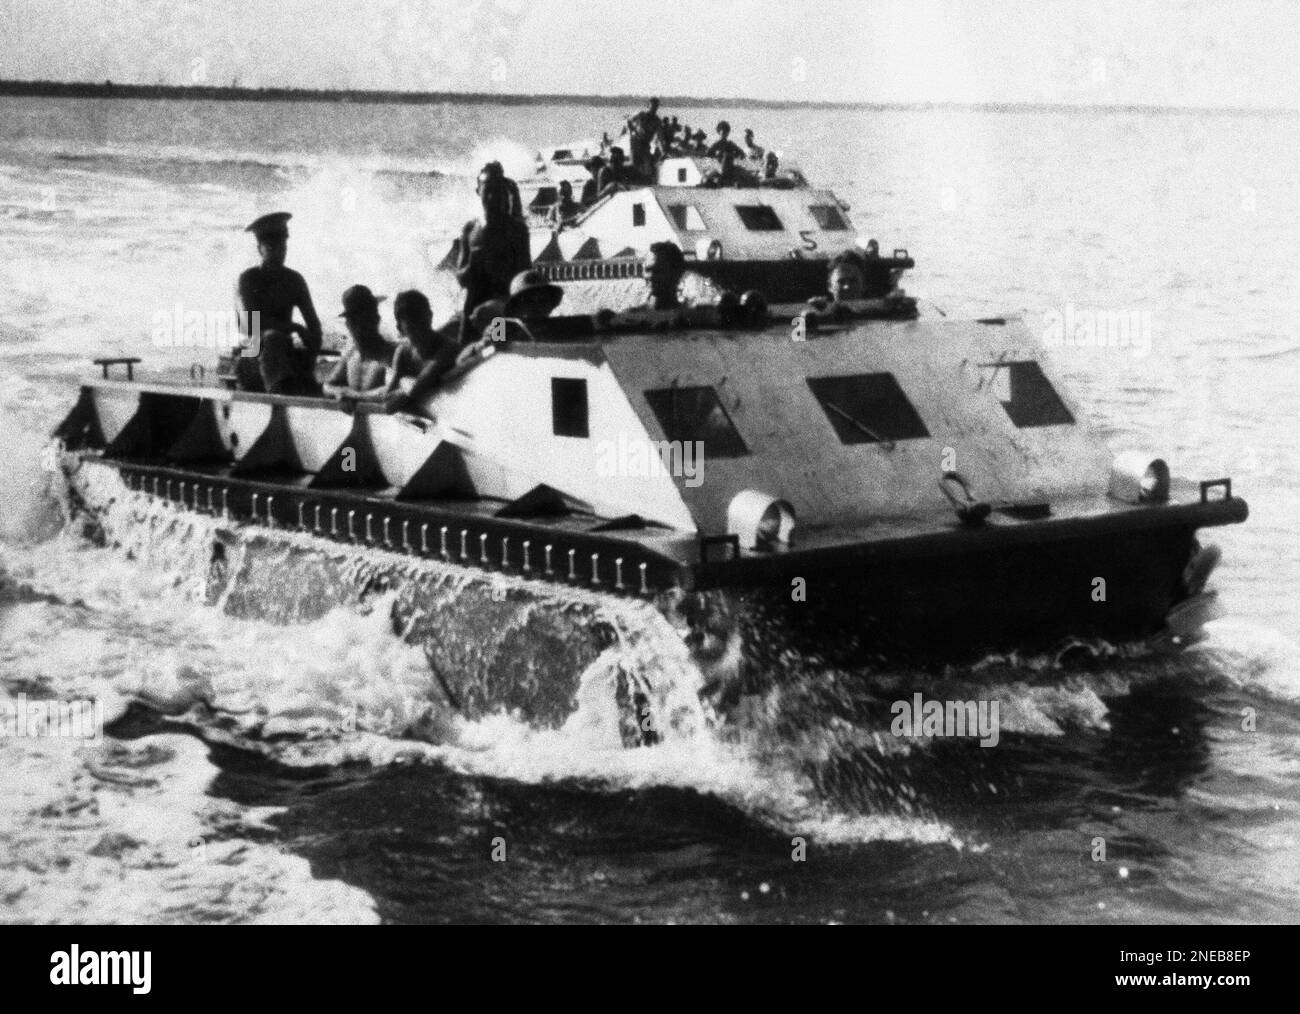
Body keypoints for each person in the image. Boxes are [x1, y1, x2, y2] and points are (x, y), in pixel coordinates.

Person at [235, 211, 323, 395]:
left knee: (281, 342)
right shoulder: (248, 279)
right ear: (260, 249)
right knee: (272, 337)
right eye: (271, 248)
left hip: (281, 352)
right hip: (252, 350)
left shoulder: (295, 280)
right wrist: (295, 327)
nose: (278, 253)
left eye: (282, 247)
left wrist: (312, 347)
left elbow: (315, 326)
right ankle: (278, 396)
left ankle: (295, 386)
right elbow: (250, 324)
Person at [455, 166, 532, 341]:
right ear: (478, 191)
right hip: (473, 308)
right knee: (465, 359)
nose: (492, 197)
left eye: (498, 191)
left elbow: (526, 277)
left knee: (496, 349)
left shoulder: (517, 230)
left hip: (503, 310)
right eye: (488, 191)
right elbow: (460, 278)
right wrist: (472, 266)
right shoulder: (470, 230)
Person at [384, 290, 461, 413]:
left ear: (430, 316)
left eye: (423, 324)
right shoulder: (403, 352)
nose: (421, 332)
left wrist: (403, 394)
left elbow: (427, 375)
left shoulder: (448, 347)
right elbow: (388, 398)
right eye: (412, 328)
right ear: (400, 329)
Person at [324, 285, 398, 406]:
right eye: (352, 320)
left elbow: (395, 392)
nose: (357, 327)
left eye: (363, 320)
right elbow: (328, 386)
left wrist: (352, 395)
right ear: (347, 324)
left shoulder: (393, 354)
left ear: (375, 319)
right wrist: (339, 393)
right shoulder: (350, 355)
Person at [626, 97, 662, 176]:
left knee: (647, 161)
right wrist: (632, 131)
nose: (654, 109)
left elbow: (659, 136)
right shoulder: (641, 114)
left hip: (645, 143)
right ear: (648, 106)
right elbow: (629, 121)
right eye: (652, 106)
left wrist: (662, 149)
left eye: (656, 107)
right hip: (636, 141)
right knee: (635, 162)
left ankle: (645, 177)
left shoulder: (657, 121)